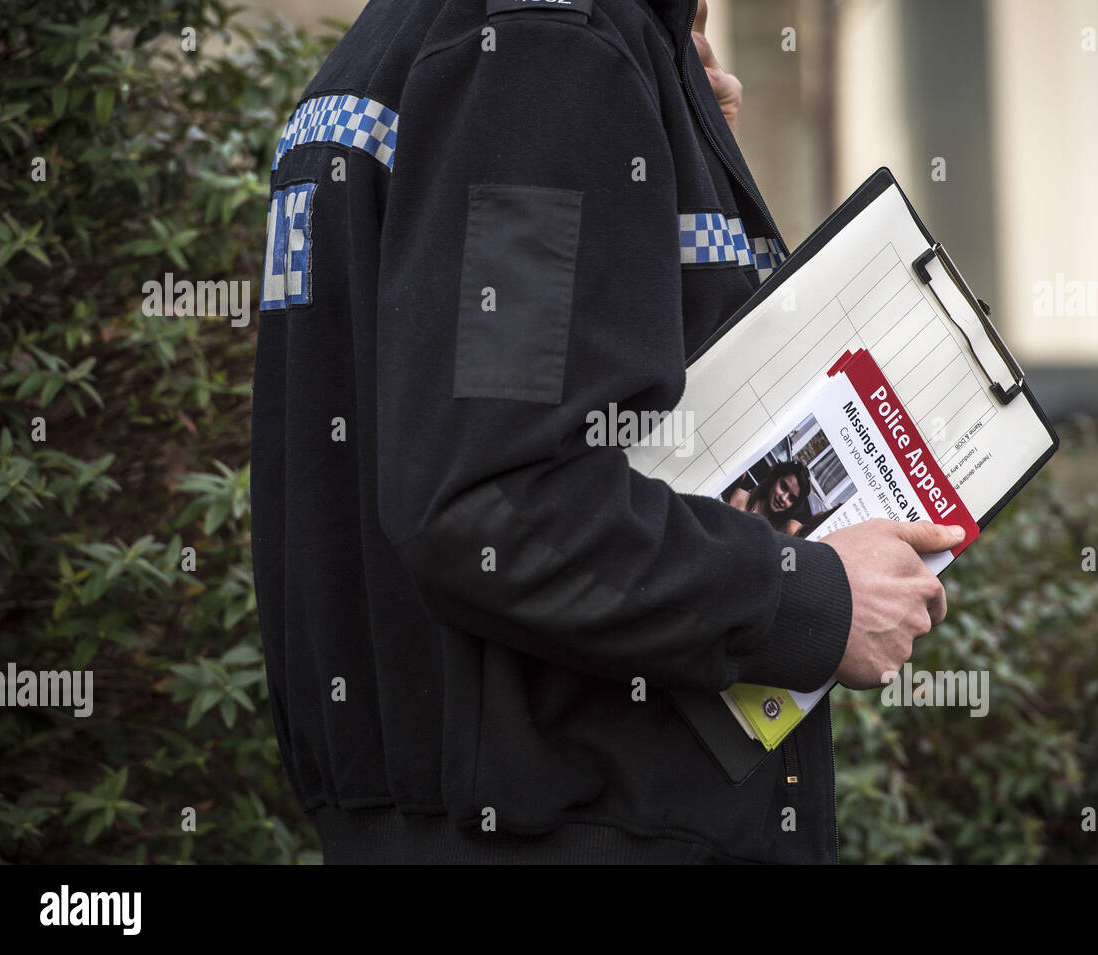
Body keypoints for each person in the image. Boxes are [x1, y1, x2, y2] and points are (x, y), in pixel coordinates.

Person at [250, 0, 961, 865]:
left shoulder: (416, 43)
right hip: (573, 824)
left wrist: (657, 140)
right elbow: (497, 501)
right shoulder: (546, 45)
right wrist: (808, 597)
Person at [725, 460, 812, 536]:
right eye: (783, 486)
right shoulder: (741, 499)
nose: (783, 498)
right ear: (775, 478)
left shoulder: (783, 534)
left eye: (791, 498)